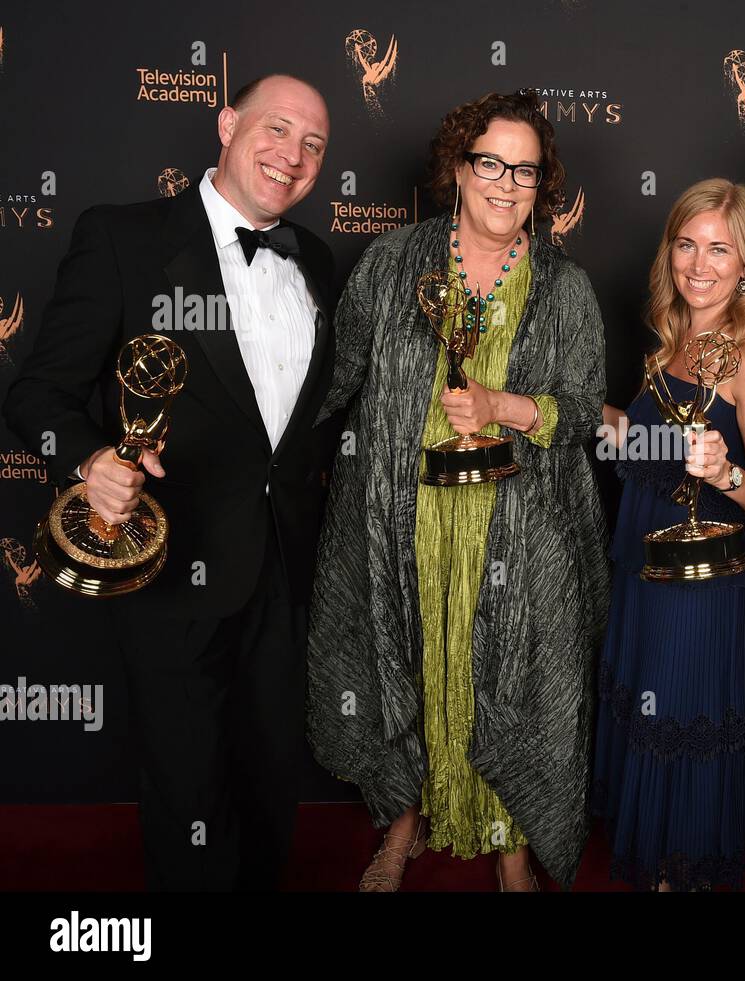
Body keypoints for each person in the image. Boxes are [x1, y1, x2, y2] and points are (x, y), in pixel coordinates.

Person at [3, 75, 337, 890]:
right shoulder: (123, 238)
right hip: (172, 574)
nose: (292, 156)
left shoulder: (318, 260)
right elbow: (37, 393)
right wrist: (90, 463)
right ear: (227, 123)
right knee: (189, 796)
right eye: (276, 128)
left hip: (287, 573)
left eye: (315, 144)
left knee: (270, 786)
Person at [306, 91, 609, 892]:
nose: (506, 184)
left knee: (506, 680)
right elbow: (333, 382)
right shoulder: (394, 260)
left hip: (516, 524)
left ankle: (511, 843)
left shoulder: (563, 286)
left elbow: (581, 408)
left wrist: (501, 408)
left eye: (526, 170)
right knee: (407, 662)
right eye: (490, 164)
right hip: (403, 514)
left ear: (543, 185)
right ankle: (402, 827)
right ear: (458, 168)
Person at [592, 179, 745, 891]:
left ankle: (684, 874)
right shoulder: (674, 340)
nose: (699, 265)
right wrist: (570, 408)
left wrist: (728, 473)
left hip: (705, 585)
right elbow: (644, 443)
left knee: (683, 717)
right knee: (645, 711)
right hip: (645, 560)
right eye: (685, 244)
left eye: (719, 249)